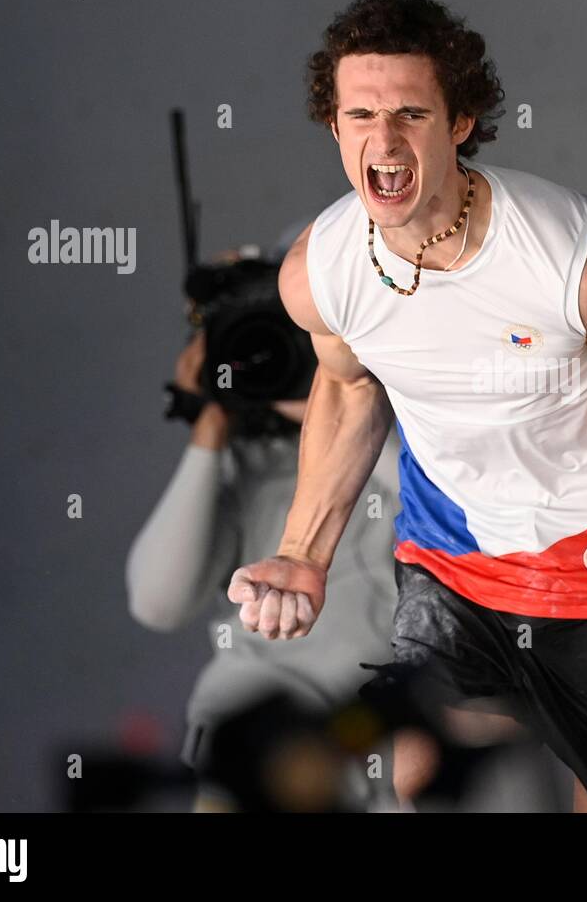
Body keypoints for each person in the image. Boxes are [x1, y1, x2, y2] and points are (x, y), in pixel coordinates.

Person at [228, 0, 587, 813]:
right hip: (452, 551)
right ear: (335, 126)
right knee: (421, 771)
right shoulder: (323, 271)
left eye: (411, 115)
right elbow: (350, 390)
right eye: (359, 117)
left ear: (459, 122)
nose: (382, 142)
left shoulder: (577, 257)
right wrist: (303, 554)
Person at [125, 315, 402, 811]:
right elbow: (157, 602)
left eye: (316, 332)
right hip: (249, 741)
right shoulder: (251, 461)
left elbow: (467, 515)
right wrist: (210, 422)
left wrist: (340, 410)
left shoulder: (420, 436)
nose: (298, 351)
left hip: (387, 744)